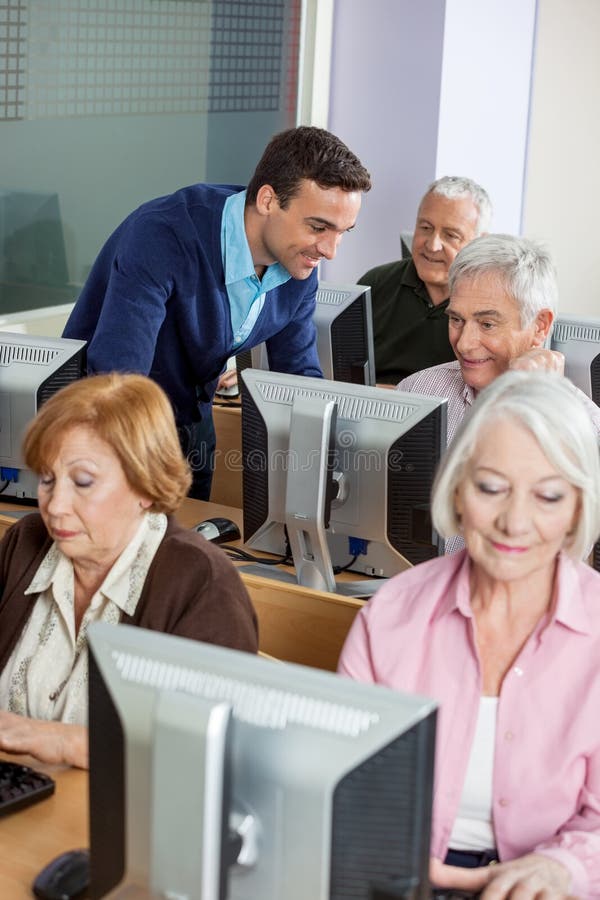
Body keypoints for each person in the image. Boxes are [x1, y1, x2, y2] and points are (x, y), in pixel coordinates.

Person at [339, 370, 600, 899]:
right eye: (491, 488)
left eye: (548, 497)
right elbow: (345, 785)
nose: (514, 522)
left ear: (577, 512)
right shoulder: (391, 616)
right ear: (457, 489)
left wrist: (560, 871)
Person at [63, 126, 372, 499]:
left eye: (343, 232)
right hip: (110, 430)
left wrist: (344, 445)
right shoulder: (163, 234)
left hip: (191, 424)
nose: (330, 249)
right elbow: (119, 378)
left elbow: (298, 375)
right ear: (268, 200)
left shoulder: (297, 266)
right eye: (319, 227)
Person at [0, 373, 258, 770]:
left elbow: (210, 753)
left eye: (83, 482)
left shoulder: (201, 583)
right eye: (48, 479)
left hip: (120, 822)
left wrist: (66, 743)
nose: (55, 505)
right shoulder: (26, 542)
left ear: (145, 487)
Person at [397, 233, 600, 445]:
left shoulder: (587, 431)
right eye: (456, 319)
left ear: (540, 326)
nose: (464, 344)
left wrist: (547, 412)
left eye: (487, 324)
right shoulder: (415, 393)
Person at [358, 176, 492, 384]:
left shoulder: (490, 302)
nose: (433, 245)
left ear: (480, 243)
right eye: (426, 228)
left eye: (451, 235)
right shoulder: (375, 283)